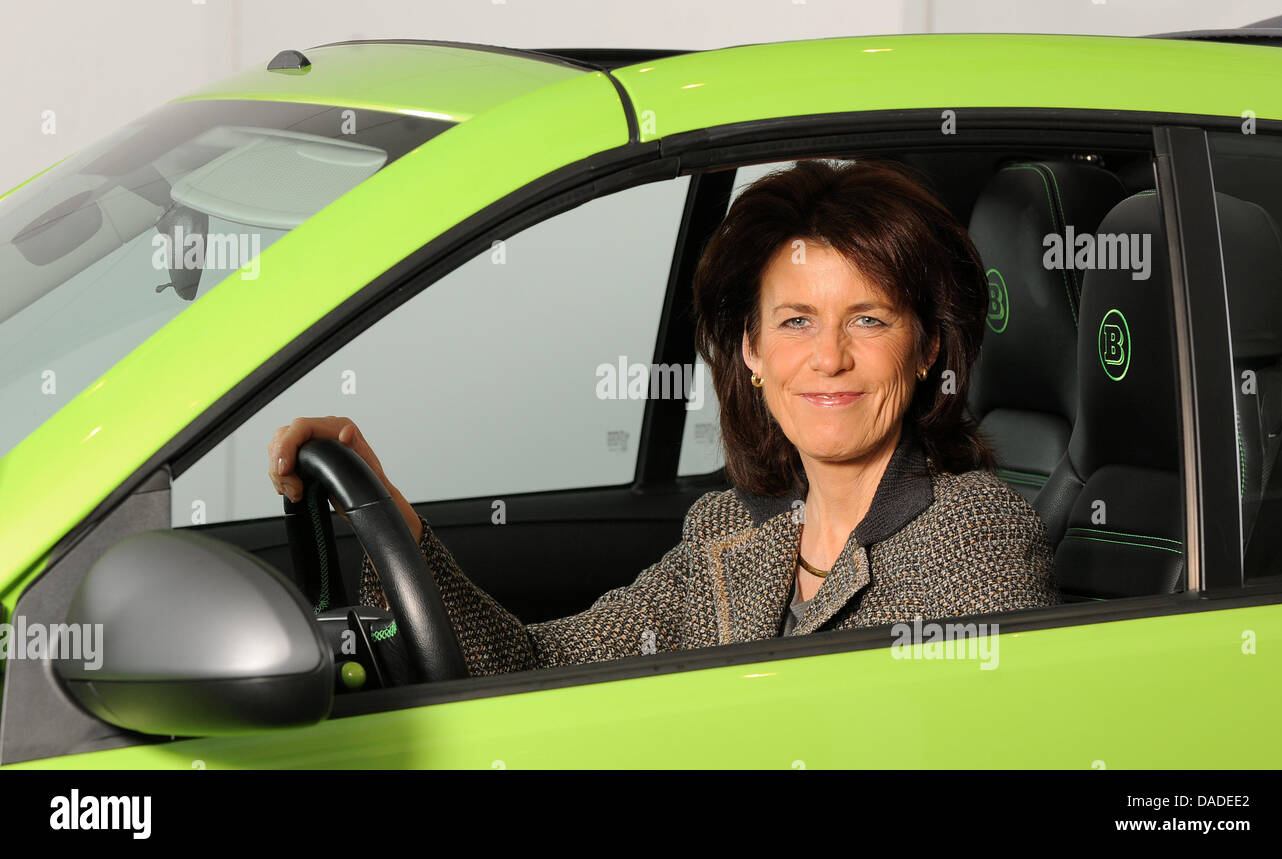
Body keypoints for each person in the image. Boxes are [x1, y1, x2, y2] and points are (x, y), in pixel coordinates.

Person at [268, 158, 1059, 677]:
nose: (828, 358)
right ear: (750, 350)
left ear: (926, 352)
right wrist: (398, 524)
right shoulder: (728, 533)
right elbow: (543, 666)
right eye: (794, 322)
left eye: (869, 320)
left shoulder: (975, 533)